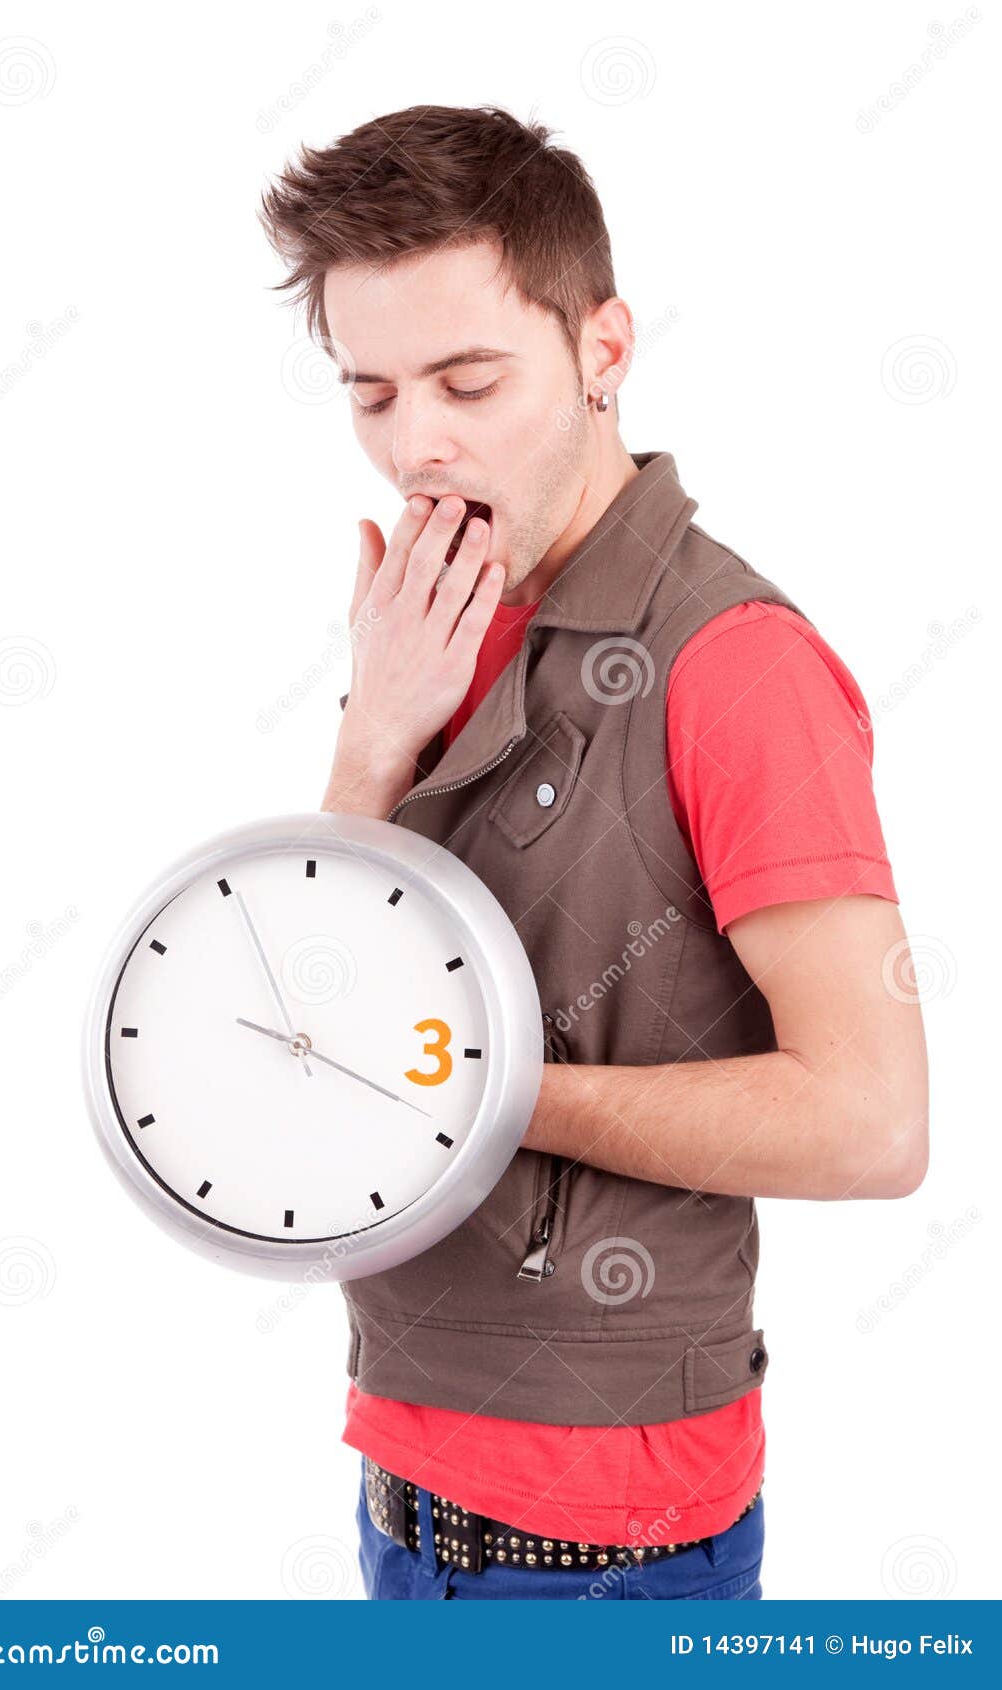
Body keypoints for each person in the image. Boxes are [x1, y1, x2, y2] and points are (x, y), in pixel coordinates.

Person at [259, 104, 929, 1600]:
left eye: (470, 382)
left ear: (603, 348)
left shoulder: (738, 663)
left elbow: (872, 1123)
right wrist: (372, 745)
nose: (416, 446)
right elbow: (307, 1031)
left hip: (608, 1550)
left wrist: (469, 1094)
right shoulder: (433, 629)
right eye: (371, 393)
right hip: (399, 1496)